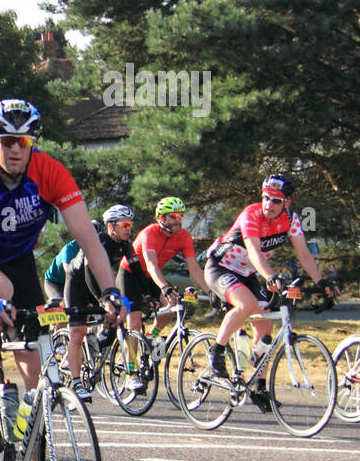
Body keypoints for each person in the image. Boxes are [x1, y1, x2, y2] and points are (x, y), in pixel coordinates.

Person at [0, 99, 125, 460]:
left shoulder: (50, 172)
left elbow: (88, 239)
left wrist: (110, 291)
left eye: (23, 142)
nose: (15, 149)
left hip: (19, 260)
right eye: (7, 140)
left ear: (33, 143)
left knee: (34, 366)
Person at [201, 174, 340, 411]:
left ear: (287, 202)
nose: (268, 204)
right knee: (246, 303)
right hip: (220, 266)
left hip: (246, 273)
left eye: (276, 200)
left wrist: (320, 281)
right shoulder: (251, 214)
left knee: (265, 325)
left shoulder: (291, 219)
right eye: (266, 197)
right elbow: (254, 252)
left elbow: (304, 253)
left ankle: (258, 385)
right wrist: (271, 276)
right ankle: (217, 351)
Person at [115, 196, 210, 391]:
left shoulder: (183, 236)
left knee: (171, 307)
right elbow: (150, 264)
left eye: (180, 216)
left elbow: (194, 268)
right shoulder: (150, 232)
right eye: (173, 216)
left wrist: (210, 292)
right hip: (131, 274)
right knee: (135, 321)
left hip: (152, 277)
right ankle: (130, 372)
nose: (178, 220)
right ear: (161, 217)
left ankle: (151, 336)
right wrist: (165, 287)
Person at [62, 212, 132, 401]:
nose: (128, 228)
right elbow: (90, 275)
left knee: (115, 317)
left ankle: (98, 344)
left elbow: (134, 272)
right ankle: (77, 383)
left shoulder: (124, 245)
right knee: (78, 332)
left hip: (98, 286)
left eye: (130, 224)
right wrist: (104, 300)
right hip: (77, 285)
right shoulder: (95, 243)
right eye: (124, 224)